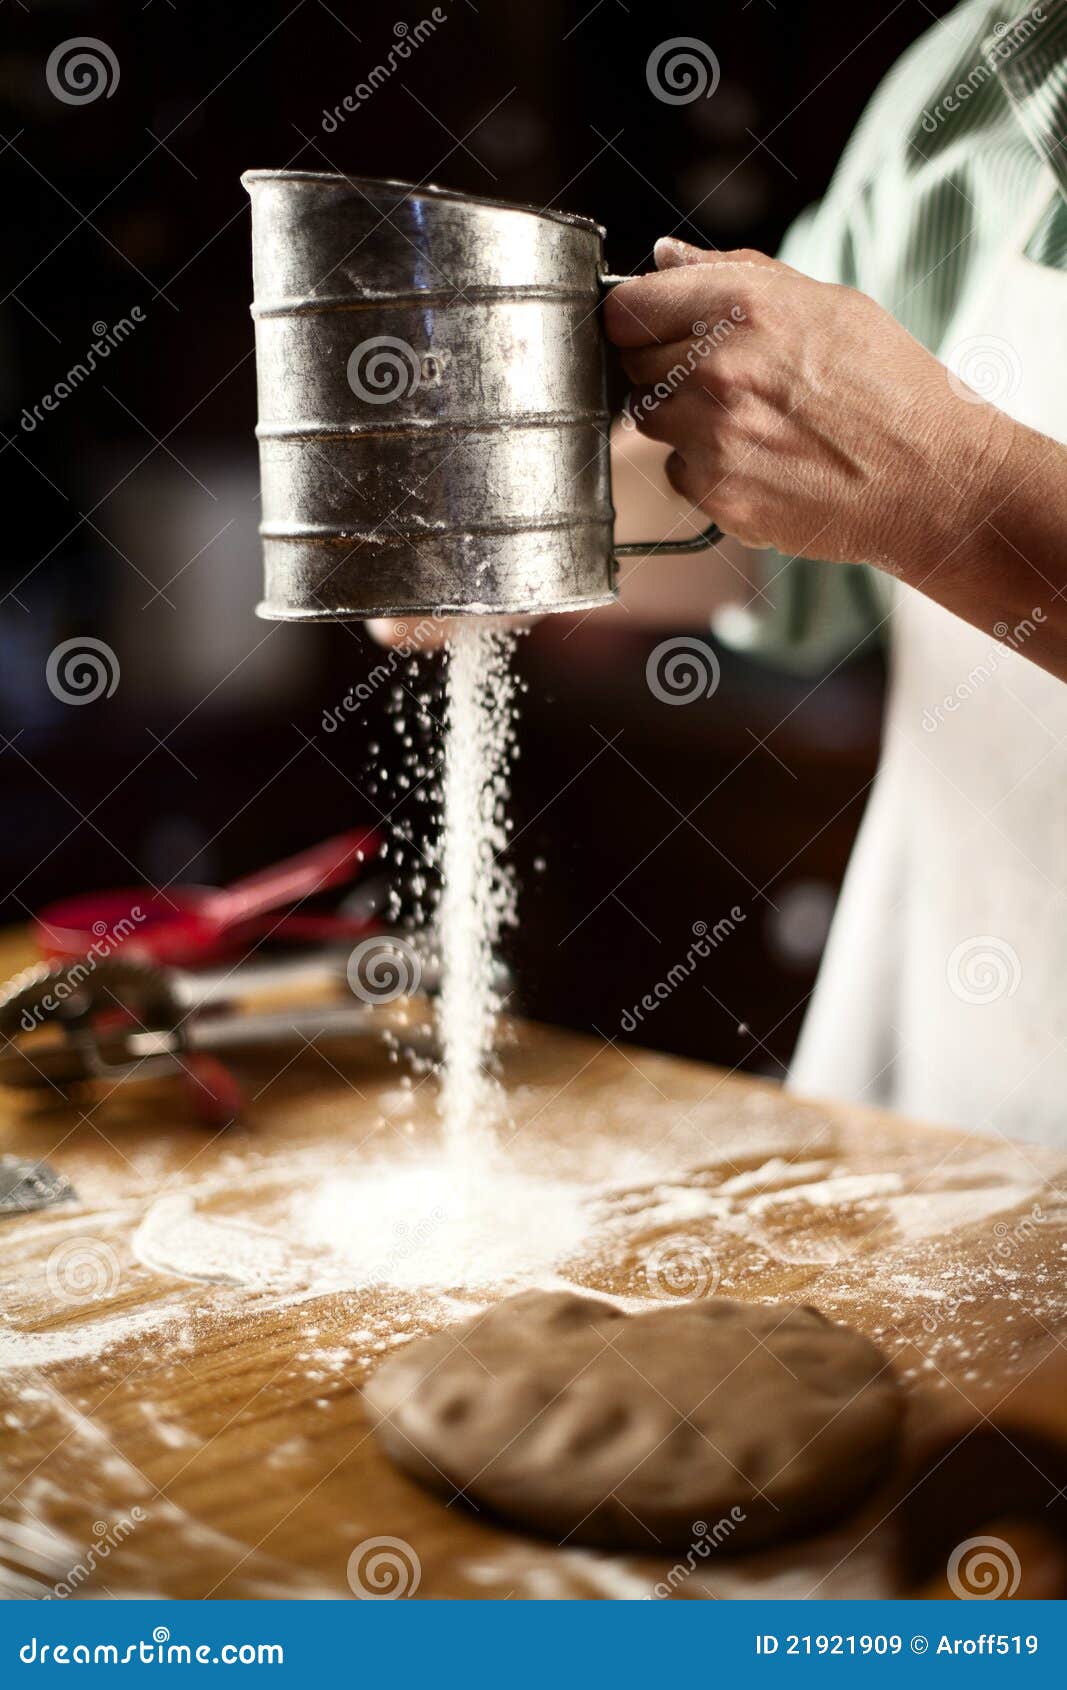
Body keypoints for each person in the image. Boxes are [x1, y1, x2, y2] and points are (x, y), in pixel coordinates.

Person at [377, 0, 1067, 1148]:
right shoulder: (984, 77)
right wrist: (503, 525)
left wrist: (949, 486)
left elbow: (891, 472)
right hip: (952, 1092)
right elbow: (774, 542)